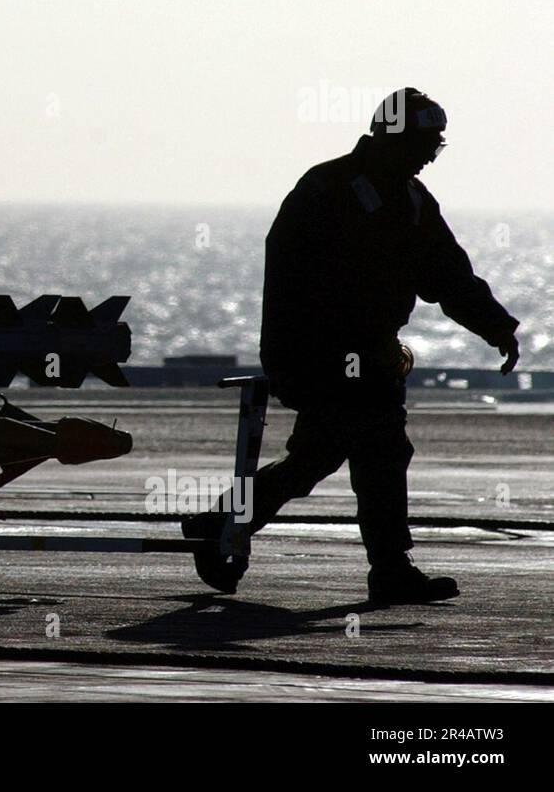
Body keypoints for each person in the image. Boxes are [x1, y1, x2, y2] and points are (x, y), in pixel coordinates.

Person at [185, 88, 520, 605]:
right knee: (374, 450)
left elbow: (447, 274)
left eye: (437, 145)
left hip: (366, 356)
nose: (431, 155)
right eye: (426, 142)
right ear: (395, 137)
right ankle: (386, 567)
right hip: (324, 356)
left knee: (321, 458)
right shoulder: (328, 190)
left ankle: (224, 522)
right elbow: (296, 282)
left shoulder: (409, 199)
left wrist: (497, 327)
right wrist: (322, 353)